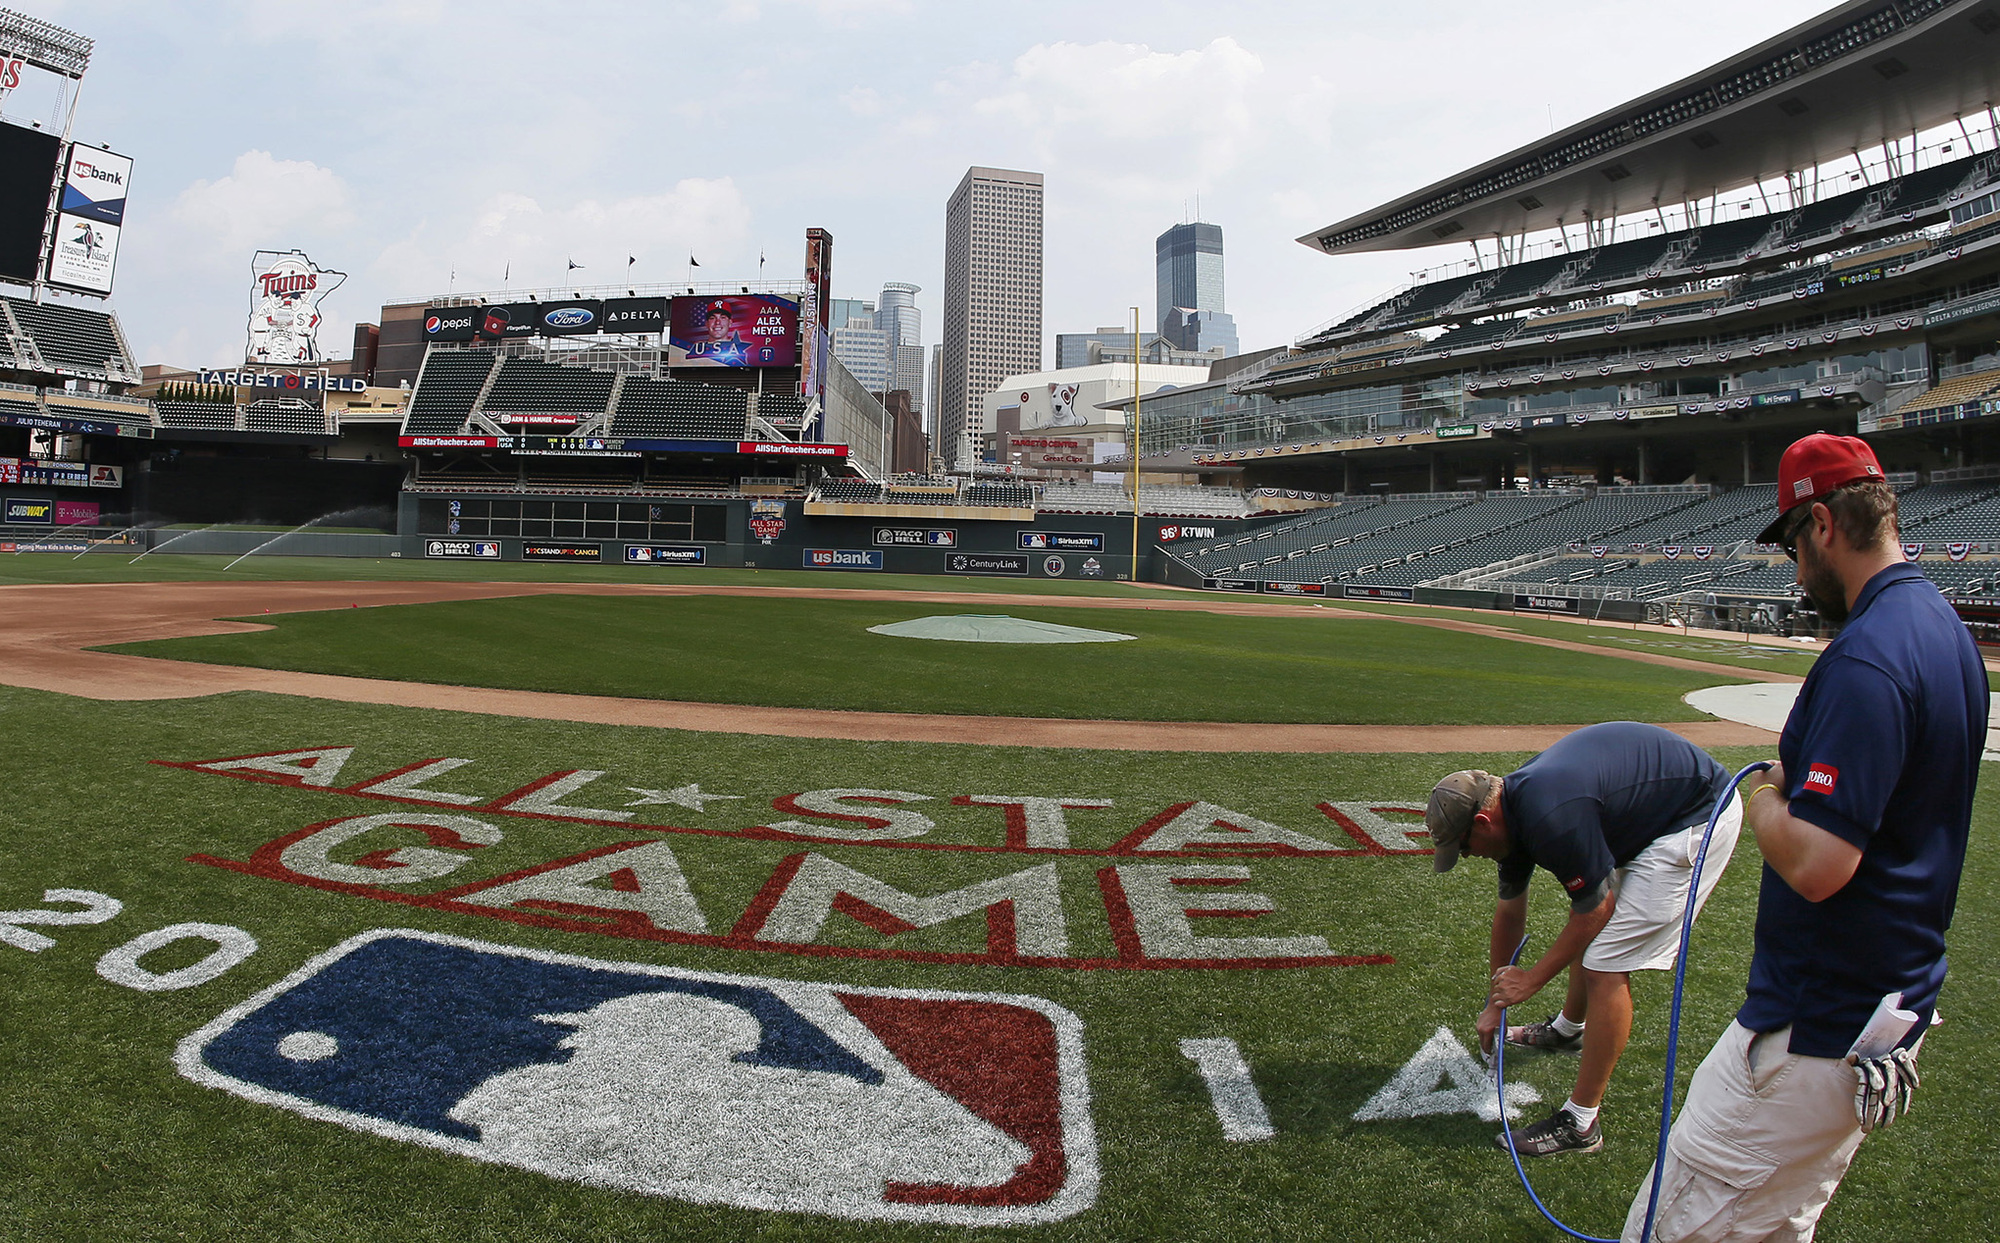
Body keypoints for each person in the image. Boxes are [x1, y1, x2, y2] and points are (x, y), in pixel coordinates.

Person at [1625, 434, 1986, 1241]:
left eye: (1794, 543)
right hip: (1881, 1007)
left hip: (1817, 1021)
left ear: (1824, 522)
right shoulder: (1943, 626)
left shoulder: (1869, 655)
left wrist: (1761, 794)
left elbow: (1819, 864)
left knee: (1667, 1226)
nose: (1794, 570)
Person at [1425, 721, 1742, 1157]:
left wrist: (1531, 979)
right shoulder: (1510, 815)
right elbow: (1510, 911)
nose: (1467, 856)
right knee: (1592, 934)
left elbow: (1596, 908)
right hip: (1654, 814)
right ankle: (1569, 1031)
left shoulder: (1550, 816)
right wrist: (1496, 1003)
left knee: (1604, 962)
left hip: (1695, 818)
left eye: (1463, 847)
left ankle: (1581, 1122)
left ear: (1482, 821)